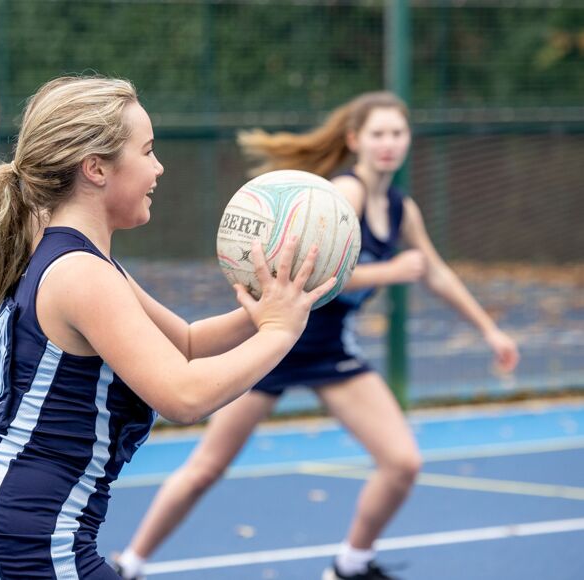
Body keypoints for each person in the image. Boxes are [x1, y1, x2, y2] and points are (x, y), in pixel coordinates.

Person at [0, 75, 336, 579]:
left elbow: (185, 344)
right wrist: (279, 333)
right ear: (96, 168)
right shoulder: (82, 275)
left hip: (0, 527)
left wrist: (273, 307)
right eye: (147, 151)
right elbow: (184, 396)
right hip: (22, 540)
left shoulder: (82, 261)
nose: (159, 167)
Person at [113, 91, 521, 580]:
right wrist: (391, 271)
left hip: (328, 350)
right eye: (378, 133)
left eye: (397, 133)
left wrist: (490, 331)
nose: (389, 143)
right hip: (272, 341)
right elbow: (313, 277)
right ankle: (130, 564)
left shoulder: (401, 209)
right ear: (355, 140)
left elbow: (435, 272)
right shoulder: (343, 194)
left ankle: (350, 565)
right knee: (206, 467)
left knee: (402, 462)